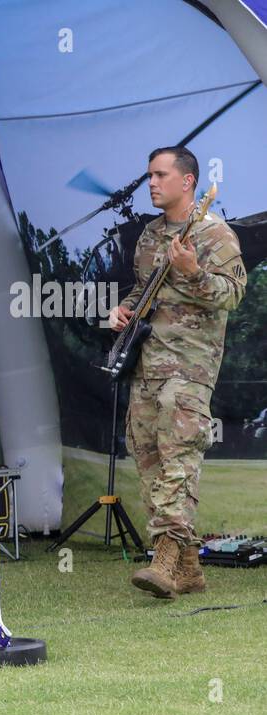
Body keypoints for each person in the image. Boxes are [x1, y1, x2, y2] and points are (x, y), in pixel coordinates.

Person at [108, 146, 245, 598]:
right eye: (149, 175)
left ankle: (164, 557)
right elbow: (143, 290)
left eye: (160, 175)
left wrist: (193, 272)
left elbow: (230, 294)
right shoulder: (149, 235)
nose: (151, 182)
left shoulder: (215, 233)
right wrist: (123, 311)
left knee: (180, 459)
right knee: (147, 457)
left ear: (188, 181)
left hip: (188, 369)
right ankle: (189, 569)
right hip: (145, 364)